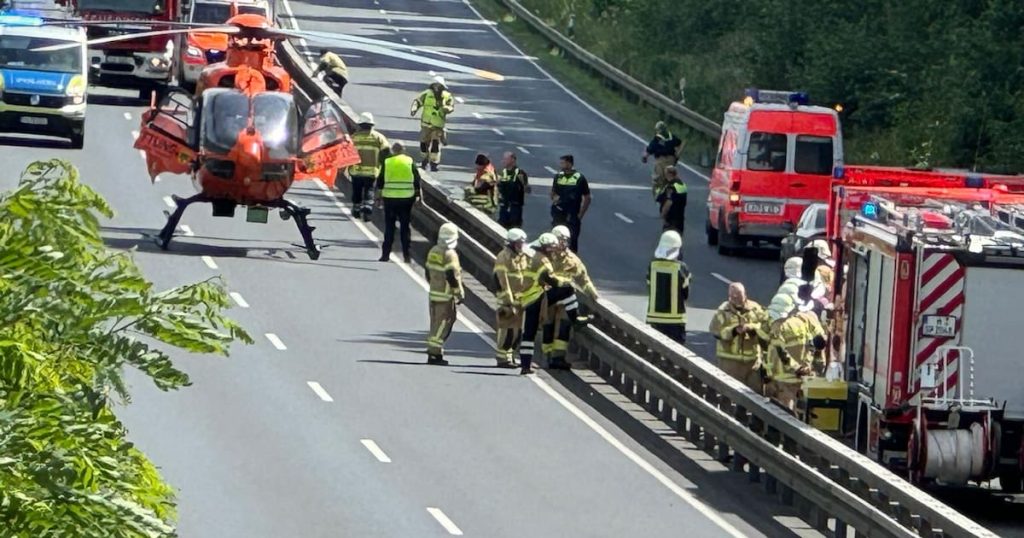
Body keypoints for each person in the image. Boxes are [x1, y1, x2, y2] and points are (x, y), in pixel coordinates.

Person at [519, 233, 585, 374]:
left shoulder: (535, 256)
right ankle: (575, 318)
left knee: (529, 334)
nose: (555, 250)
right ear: (547, 248)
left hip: (527, 298)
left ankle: (525, 366)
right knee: (567, 290)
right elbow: (552, 281)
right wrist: (566, 282)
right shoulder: (543, 261)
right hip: (537, 297)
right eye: (552, 248)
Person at [545, 226, 598, 368]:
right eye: (561, 240)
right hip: (546, 296)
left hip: (563, 301)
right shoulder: (545, 256)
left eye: (565, 241)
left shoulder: (572, 260)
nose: (563, 243)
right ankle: (546, 354)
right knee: (547, 324)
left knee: (564, 324)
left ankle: (558, 357)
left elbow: (583, 279)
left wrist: (593, 294)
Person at [763, 294, 823, 411]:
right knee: (795, 411)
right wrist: (810, 366)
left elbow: (781, 353)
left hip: (782, 379)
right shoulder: (803, 321)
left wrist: (797, 368)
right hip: (799, 378)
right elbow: (815, 344)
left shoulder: (777, 327)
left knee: (783, 413)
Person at [709, 282, 768, 393]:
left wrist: (751, 328)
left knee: (755, 397)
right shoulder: (723, 311)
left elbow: (766, 326)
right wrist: (734, 331)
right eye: (732, 295)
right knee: (728, 395)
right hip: (730, 363)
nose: (735, 298)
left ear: (745, 294)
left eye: (738, 295)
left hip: (752, 364)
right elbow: (715, 331)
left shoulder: (755, 308)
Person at [425, 223, 464, 365]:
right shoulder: (450, 254)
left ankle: (435, 351)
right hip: (446, 295)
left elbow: (428, 271)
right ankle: (434, 353)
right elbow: (452, 275)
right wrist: (458, 293)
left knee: (435, 323)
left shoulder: (433, 250)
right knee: (444, 323)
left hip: (434, 293)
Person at [375, 142, 421, 263]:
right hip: (406, 198)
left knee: (389, 227)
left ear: (393, 151)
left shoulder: (388, 162)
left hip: (390, 199)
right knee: (405, 227)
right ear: (403, 150)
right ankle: (407, 256)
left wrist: (378, 197)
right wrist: (418, 195)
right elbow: (417, 179)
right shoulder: (409, 161)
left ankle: (385, 255)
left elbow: (380, 181)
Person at [493, 228, 531, 368]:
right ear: (511, 244)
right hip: (508, 301)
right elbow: (502, 281)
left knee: (517, 331)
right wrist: (508, 301)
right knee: (507, 329)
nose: (521, 246)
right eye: (519, 244)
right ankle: (503, 357)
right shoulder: (503, 257)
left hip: (520, 300)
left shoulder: (522, 257)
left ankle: (510, 355)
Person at [645, 230, 690, 343]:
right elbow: (685, 293)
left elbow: (649, 286)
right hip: (675, 321)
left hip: (654, 318)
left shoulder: (652, 266)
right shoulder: (681, 268)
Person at [347, 112, 390, 221]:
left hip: (356, 170)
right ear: (372, 125)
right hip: (372, 171)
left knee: (356, 190)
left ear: (360, 125)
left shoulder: (354, 138)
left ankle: (356, 209)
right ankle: (367, 207)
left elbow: (346, 153)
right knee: (369, 189)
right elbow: (386, 152)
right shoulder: (379, 137)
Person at [410, 76, 455, 171]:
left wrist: (446, 109)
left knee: (435, 144)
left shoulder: (447, 96)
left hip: (438, 125)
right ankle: (424, 160)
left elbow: (451, 107)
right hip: (426, 124)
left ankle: (434, 163)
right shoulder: (426, 94)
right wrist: (414, 109)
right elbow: (417, 101)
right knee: (423, 144)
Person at [550, 154, 591, 253]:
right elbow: (553, 192)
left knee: (572, 240)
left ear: (569, 163)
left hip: (572, 214)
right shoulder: (558, 176)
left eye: (563, 163)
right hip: (558, 213)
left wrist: (580, 214)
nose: (561, 165)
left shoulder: (579, 178)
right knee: (556, 238)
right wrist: (555, 199)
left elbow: (587, 197)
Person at [642, 121, 683, 200]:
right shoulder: (672, 137)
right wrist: (677, 155)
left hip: (661, 161)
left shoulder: (657, 139)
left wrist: (645, 157)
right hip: (671, 160)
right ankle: (671, 194)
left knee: (657, 179)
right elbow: (680, 143)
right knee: (670, 178)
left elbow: (650, 149)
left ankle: (659, 196)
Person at [497, 151, 529, 229]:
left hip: (515, 206)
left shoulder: (520, 173)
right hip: (504, 205)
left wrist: (524, 184)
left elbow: (527, 190)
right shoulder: (502, 172)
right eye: (503, 159)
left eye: (506, 159)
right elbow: (497, 187)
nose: (503, 161)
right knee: (501, 226)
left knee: (514, 227)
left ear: (512, 160)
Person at [657, 166, 687, 233]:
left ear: (669, 174)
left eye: (665, 173)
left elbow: (669, 202)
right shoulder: (682, 185)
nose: (665, 175)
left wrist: (663, 214)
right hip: (680, 219)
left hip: (670, 219)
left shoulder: (671, 186)